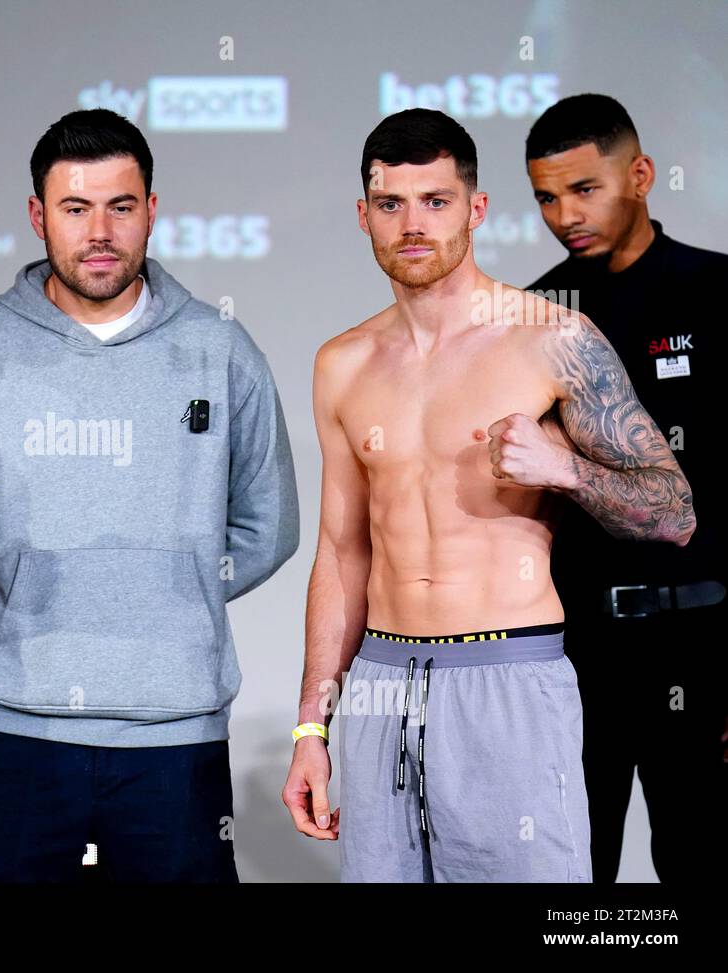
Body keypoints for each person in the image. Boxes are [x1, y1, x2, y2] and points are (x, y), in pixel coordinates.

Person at [282, 108, 695, 882]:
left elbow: (675, 511)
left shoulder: (553, 338)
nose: (413, 224)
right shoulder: (341, 362)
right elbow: (342, 551)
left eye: (436, 201)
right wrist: (312, 724)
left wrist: (565, 468)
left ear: (475, 208)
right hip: (379, 683)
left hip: (509, 674)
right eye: (391, 203)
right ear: (363, 214)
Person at [0, 108, 300, 883]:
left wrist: (171, 588)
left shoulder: (220, 350)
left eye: (121, 205)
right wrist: (5, 595)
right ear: (39, 216)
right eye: (76, 208)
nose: (100, 230)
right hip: (18, 735)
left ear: (153, 210)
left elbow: (267, 523)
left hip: (175, 735)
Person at [524, 93, 727, 883]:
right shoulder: (534, 314)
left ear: (640, 175)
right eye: (545, 195)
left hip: (705, 640)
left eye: (585, 188)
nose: (564, 213)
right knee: (571, 878)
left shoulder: (716, 292)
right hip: (578, 653)